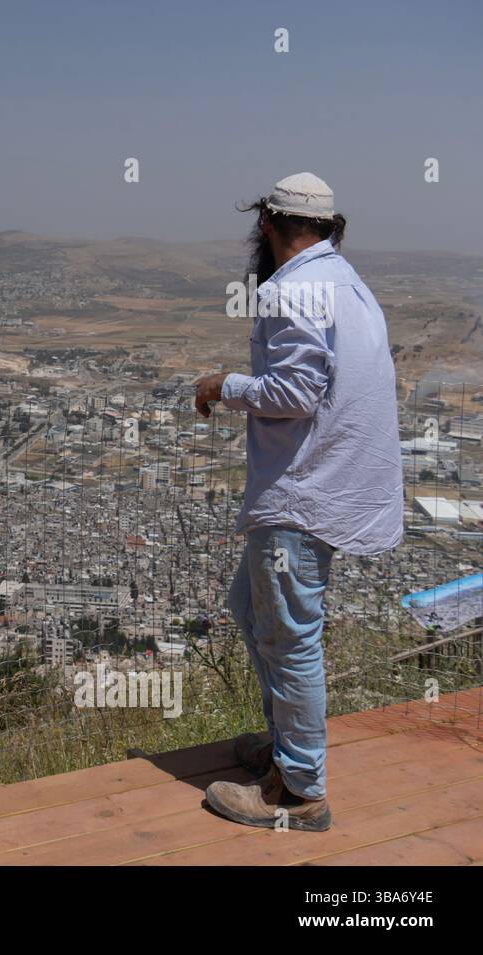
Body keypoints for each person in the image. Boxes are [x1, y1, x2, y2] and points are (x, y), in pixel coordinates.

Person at [193, 173, 403, 831]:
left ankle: (300, 790)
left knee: (290, 637)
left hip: (302, 491)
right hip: (335, 481)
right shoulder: (349, 283)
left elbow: (295, 393)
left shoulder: (290, 290)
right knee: (251, 609)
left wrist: (221, 384)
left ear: (267, 226)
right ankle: (285, 750)